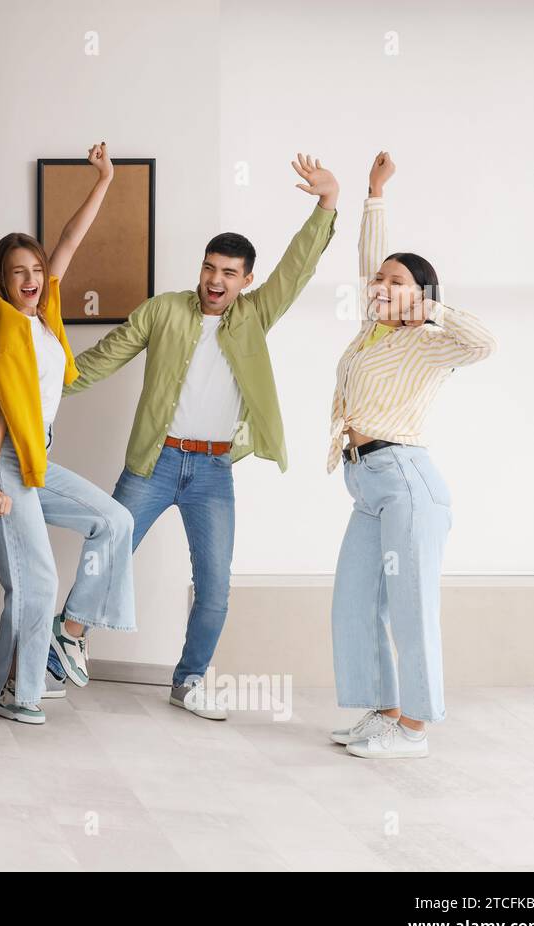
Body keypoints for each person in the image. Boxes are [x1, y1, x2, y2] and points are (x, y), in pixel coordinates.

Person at [61, 154, 338, 718]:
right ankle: (65, 642)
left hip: (213, 471)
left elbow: (297, 268)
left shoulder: (256, 315)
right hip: (155, 462)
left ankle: (188, 682)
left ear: (247, 280)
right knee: (107, 550)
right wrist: (39, 385)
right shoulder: (163, 311)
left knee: (214, 587)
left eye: (229, 272)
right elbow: (101, 360)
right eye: (210, 267)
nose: (216, 280)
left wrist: (326, 204)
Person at [328, 151, 496, 759]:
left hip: (406, 481)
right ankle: (385, 711)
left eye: (397, 283)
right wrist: (375, 194)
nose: (382, 287)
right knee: (353, 601)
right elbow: (370, 261)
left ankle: (415, 730)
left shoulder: (429, 344)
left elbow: (485, 344)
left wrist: (431, 308)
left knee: (410, 605)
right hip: (366, 485)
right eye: (381, 282)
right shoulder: (370, 330)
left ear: (420, 296)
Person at [0, 141, 137, 724]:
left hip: (36, 460)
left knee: (114, 520)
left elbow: (67, 239)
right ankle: (15, 692)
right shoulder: (5, 330)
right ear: (1, 280)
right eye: (18, 273)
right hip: (5, 464)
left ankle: (68, 637)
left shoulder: (43, 319)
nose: (32, 279)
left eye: (36, 271)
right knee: (33, 581)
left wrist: (104, 182)